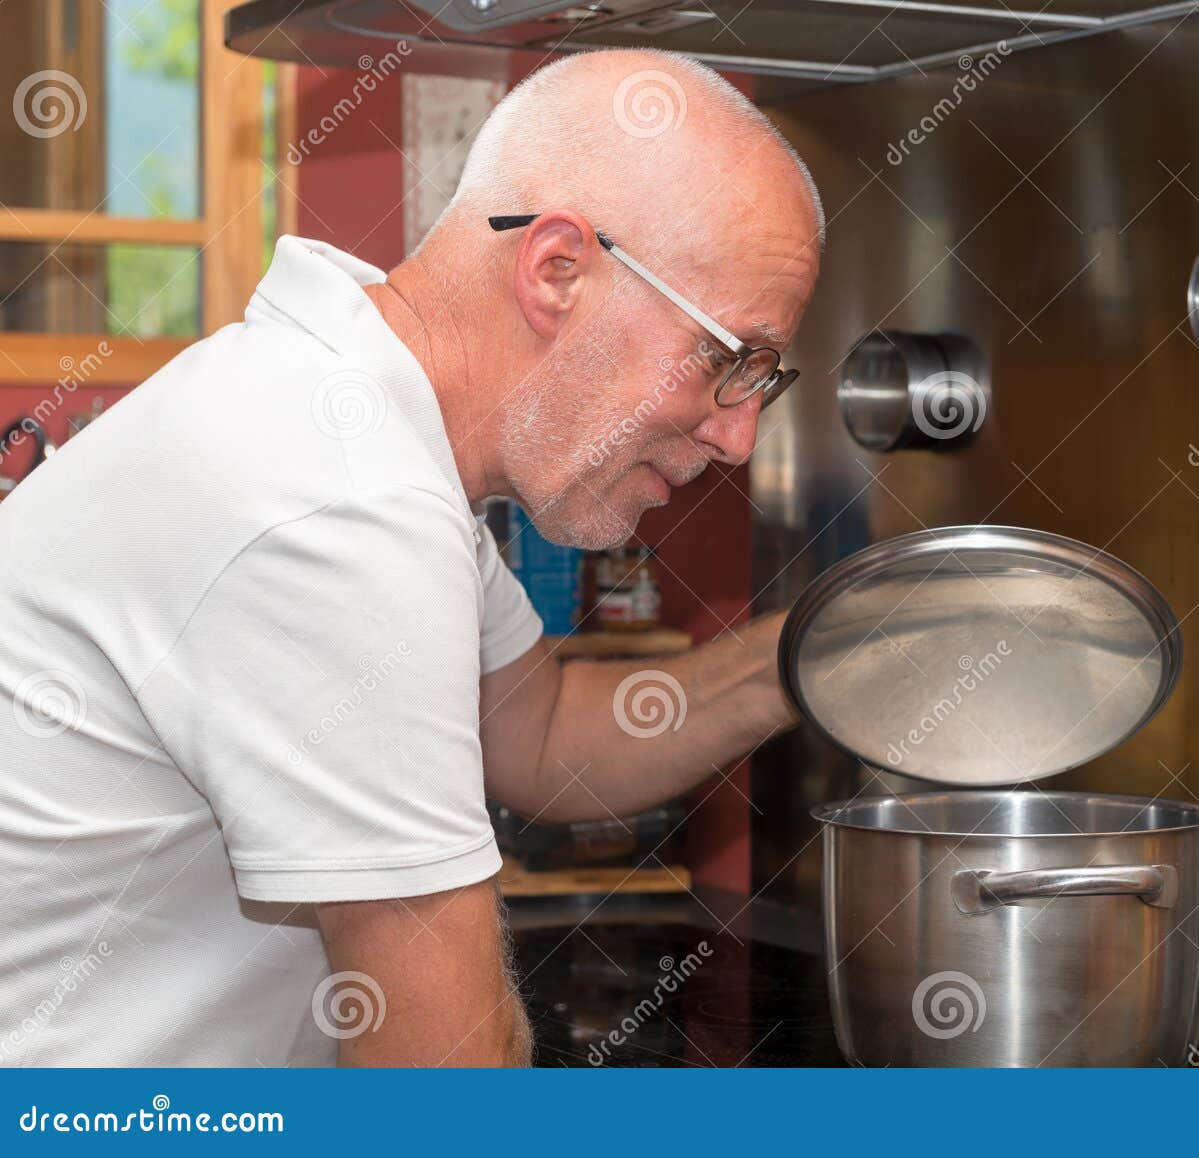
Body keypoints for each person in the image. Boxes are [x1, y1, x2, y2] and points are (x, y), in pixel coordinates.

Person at [0, 48, 823, 1066]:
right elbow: (439, 1084)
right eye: (724, 358)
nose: (737, 439)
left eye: (762, 379)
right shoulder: (338, 503)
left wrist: (823, 651)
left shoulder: (357, 411)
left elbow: (541, 733)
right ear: (557, 270)